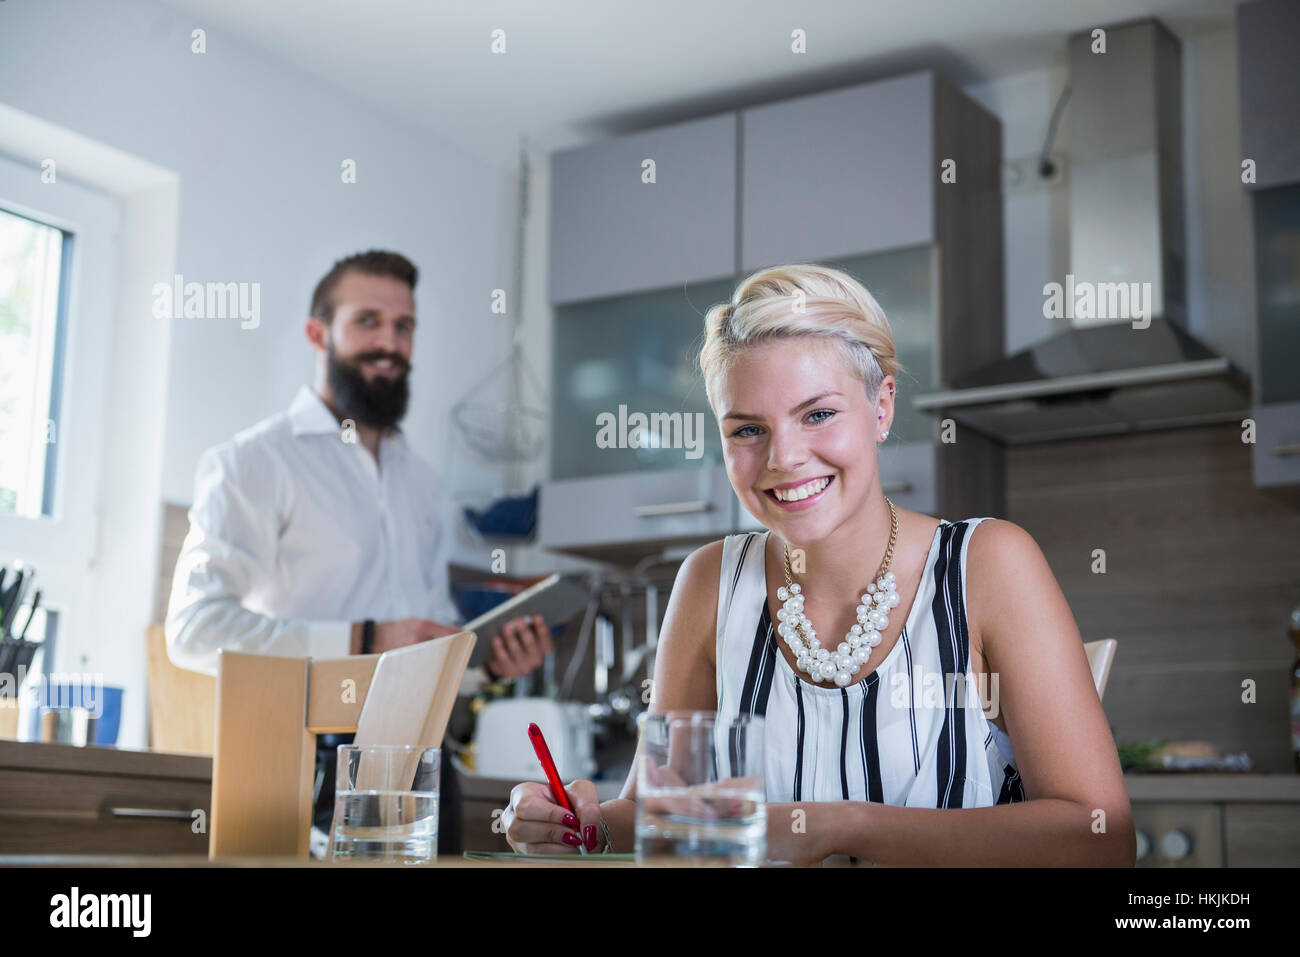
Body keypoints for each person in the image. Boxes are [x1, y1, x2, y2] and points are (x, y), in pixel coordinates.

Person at [503, 263, 1136, 865]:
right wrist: (576, 824)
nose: (783, 458)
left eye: (819, 414)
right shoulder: (709, 581)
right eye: (748, 430)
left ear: (882, 406)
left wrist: (837, 824)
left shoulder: (988, 564)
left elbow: (1100, 838)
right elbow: (656, 812)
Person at [165, 249, 553, 856]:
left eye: (404, 327)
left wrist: (489, 666)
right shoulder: (252, 463)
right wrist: (362, 639)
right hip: (301, 767)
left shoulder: (423, 483)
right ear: (318, 333)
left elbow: (416, 645)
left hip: (424, 768)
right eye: (367, 321)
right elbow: (192, 630)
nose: (390, 343)